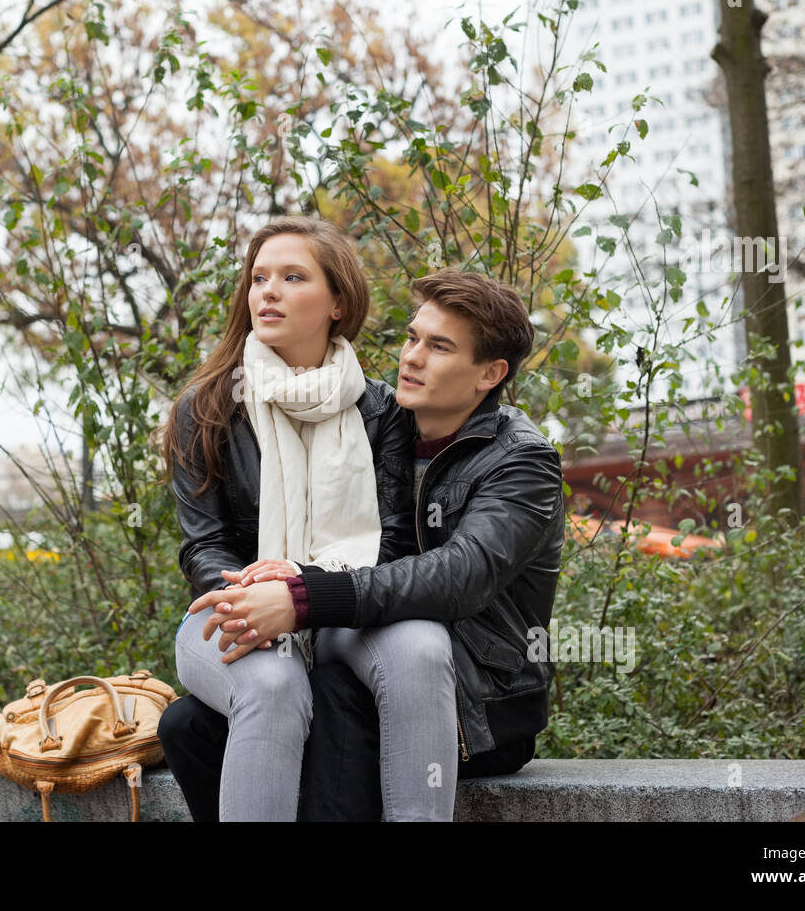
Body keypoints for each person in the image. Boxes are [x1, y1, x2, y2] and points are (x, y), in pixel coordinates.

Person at [182, 267, 566, 820]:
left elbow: (459, 574)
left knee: (342, 696)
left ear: (490, 373)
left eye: (439, 347)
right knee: (190, 724)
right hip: (364, 654)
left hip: (474, 703)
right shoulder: (379, 423)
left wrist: (303, 596)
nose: (411, 356)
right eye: (412, 337)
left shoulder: (520, 460)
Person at [159, 216, 461, 822]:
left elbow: (396, 540)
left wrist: (298, 585)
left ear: (337, 302)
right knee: (272, 686)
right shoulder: (209, 407)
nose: (267, 291)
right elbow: (204, 546)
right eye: (259, 277)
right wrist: (249, 593)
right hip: (231, 608)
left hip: (345, 604)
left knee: (423, 646)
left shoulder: (382, 411)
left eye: (293, 277)